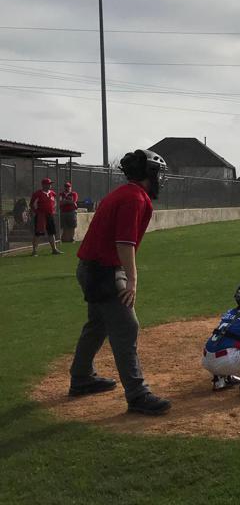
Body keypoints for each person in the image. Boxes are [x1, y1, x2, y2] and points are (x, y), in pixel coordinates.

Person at [69, 149, 171, 415]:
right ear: (150, 174)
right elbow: (124, 243)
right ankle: (137, 395)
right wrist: (131, 280)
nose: (160, 179)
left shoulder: (123, 194)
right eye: (158, 173)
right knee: (126, 326)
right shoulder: (135, 198)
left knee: (98, 324)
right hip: (102, 271)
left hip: (92, 268)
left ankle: (81, 378)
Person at [30, 177, 61, 255]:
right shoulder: (37, 194)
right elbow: (32, 205)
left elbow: (54, 203)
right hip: (41, 215)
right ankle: (34, 251)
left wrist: (53, 211)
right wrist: (36, 212)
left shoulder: (52, 193)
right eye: (48, 184)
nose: (50, 186)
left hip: (49, 215)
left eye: (50, 184)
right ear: (43, 185)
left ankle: (54, 249)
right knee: (38, 233)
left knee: (51, 232)